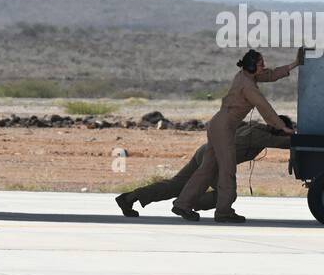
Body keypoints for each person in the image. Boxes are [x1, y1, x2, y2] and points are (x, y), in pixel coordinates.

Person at [172, 48, 303, 223]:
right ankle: (223, 211)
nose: (264, 66)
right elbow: (264, 107)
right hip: (224, 127)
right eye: (260, 64)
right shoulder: (248, 87)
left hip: (218, 124)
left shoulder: (245, 76)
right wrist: (282, 127)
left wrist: (294, 64)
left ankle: (183, 204)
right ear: (251, 66)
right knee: (227, 170)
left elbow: (270, 75)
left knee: (207, 168)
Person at [115, 117, 294, 217]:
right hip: (216, 158)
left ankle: (130, 198)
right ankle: (187, 205)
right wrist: (299, 138)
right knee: (225, 193)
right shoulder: (259, 134)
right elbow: (281, 142)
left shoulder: (253, 126)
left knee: (175, 186)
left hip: (207, 151)